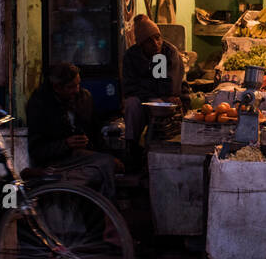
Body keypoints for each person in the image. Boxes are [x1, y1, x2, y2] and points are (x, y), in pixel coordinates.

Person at [25, 63, 119, 197]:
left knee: (107, 164)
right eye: (71, 87)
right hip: (57, 161)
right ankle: (57, 178)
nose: (77, 90)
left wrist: (110, 155)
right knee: (102, 167)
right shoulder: (39, 104)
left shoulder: (84, 97)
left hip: (83, 157)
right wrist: (66, 144)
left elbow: (96, 133)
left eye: (78, 84)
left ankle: (65, 180)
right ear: (57, 87)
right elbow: (36, 150)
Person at [122, 14, 189, 159]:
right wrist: (151, 92)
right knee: (131, 104)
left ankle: (155, 150)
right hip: (144, 99)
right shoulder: (131, 56)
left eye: (157, 37)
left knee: (161, 105)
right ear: (140, 44)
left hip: (166, 99)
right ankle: (131, 148)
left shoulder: (169, 52)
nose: (155, 43)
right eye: (149, 41)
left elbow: (170, 86)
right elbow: (129, 87)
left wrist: (150, 89)